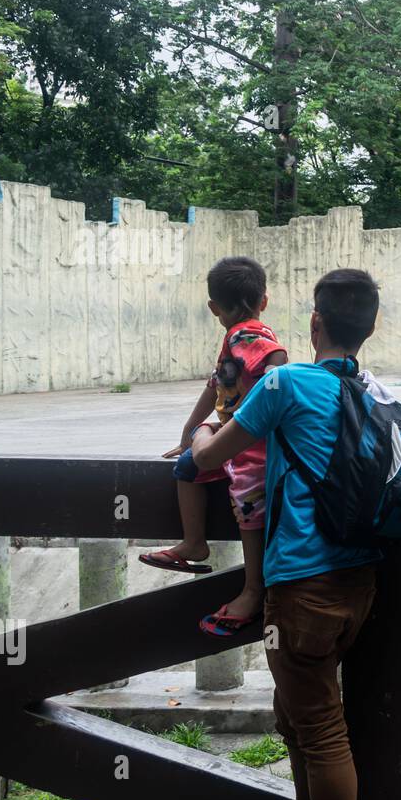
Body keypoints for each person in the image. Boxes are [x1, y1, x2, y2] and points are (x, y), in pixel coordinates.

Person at [189, 268, 384, 800]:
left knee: (320, 728)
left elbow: (210, 457)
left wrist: (199, 431)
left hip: (300, 585)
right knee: (297, 715)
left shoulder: (287, 383)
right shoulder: (376, 394)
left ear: (315, 323)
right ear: (370, 326)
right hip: (361, 582)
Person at [139, 257, 287, 635]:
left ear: (213, 308)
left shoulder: (248, 336)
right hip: (229, 440)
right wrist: (190, 432)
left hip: (253, 445)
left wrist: (274, 378)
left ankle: (254, 589)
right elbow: (216, 388)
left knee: (249, 507)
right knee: (187, 466)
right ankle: (193, 543)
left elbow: (274, 357)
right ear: (264, 299)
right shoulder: (233, 342)